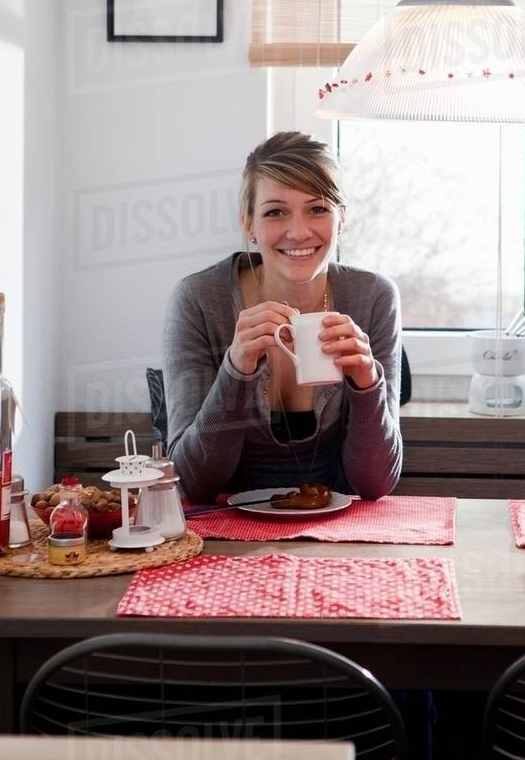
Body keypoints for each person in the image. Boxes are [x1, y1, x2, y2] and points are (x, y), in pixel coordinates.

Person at [163, 130, 403, 502]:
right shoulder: (199, 300)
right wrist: (237, 369)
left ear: (342, 218)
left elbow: (373, 485)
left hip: (338, 532)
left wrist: (367, 383)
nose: (298, 231)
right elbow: (193, 482)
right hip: (222, 534)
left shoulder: (372, 297)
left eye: (318, 208)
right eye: (276, 212)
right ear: (248, 224)